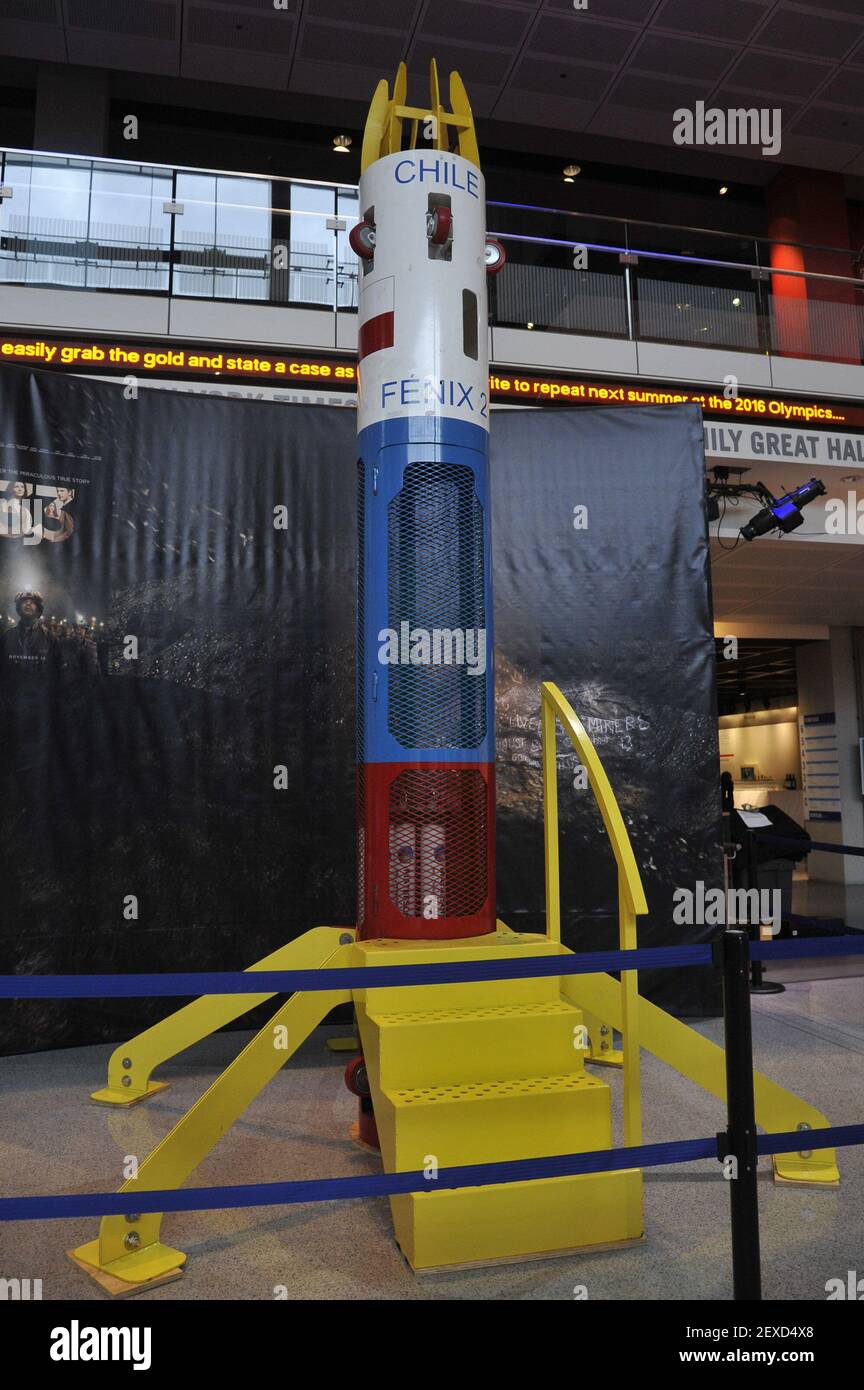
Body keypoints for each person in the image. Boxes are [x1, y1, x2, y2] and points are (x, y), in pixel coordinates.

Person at [0, 590, 62, 672]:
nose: (28, 603)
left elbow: (58, 671)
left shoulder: (50, 639)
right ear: (18, 608)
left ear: (38, 609)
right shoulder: (6, 637)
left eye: (32, 602)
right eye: (24, 601)